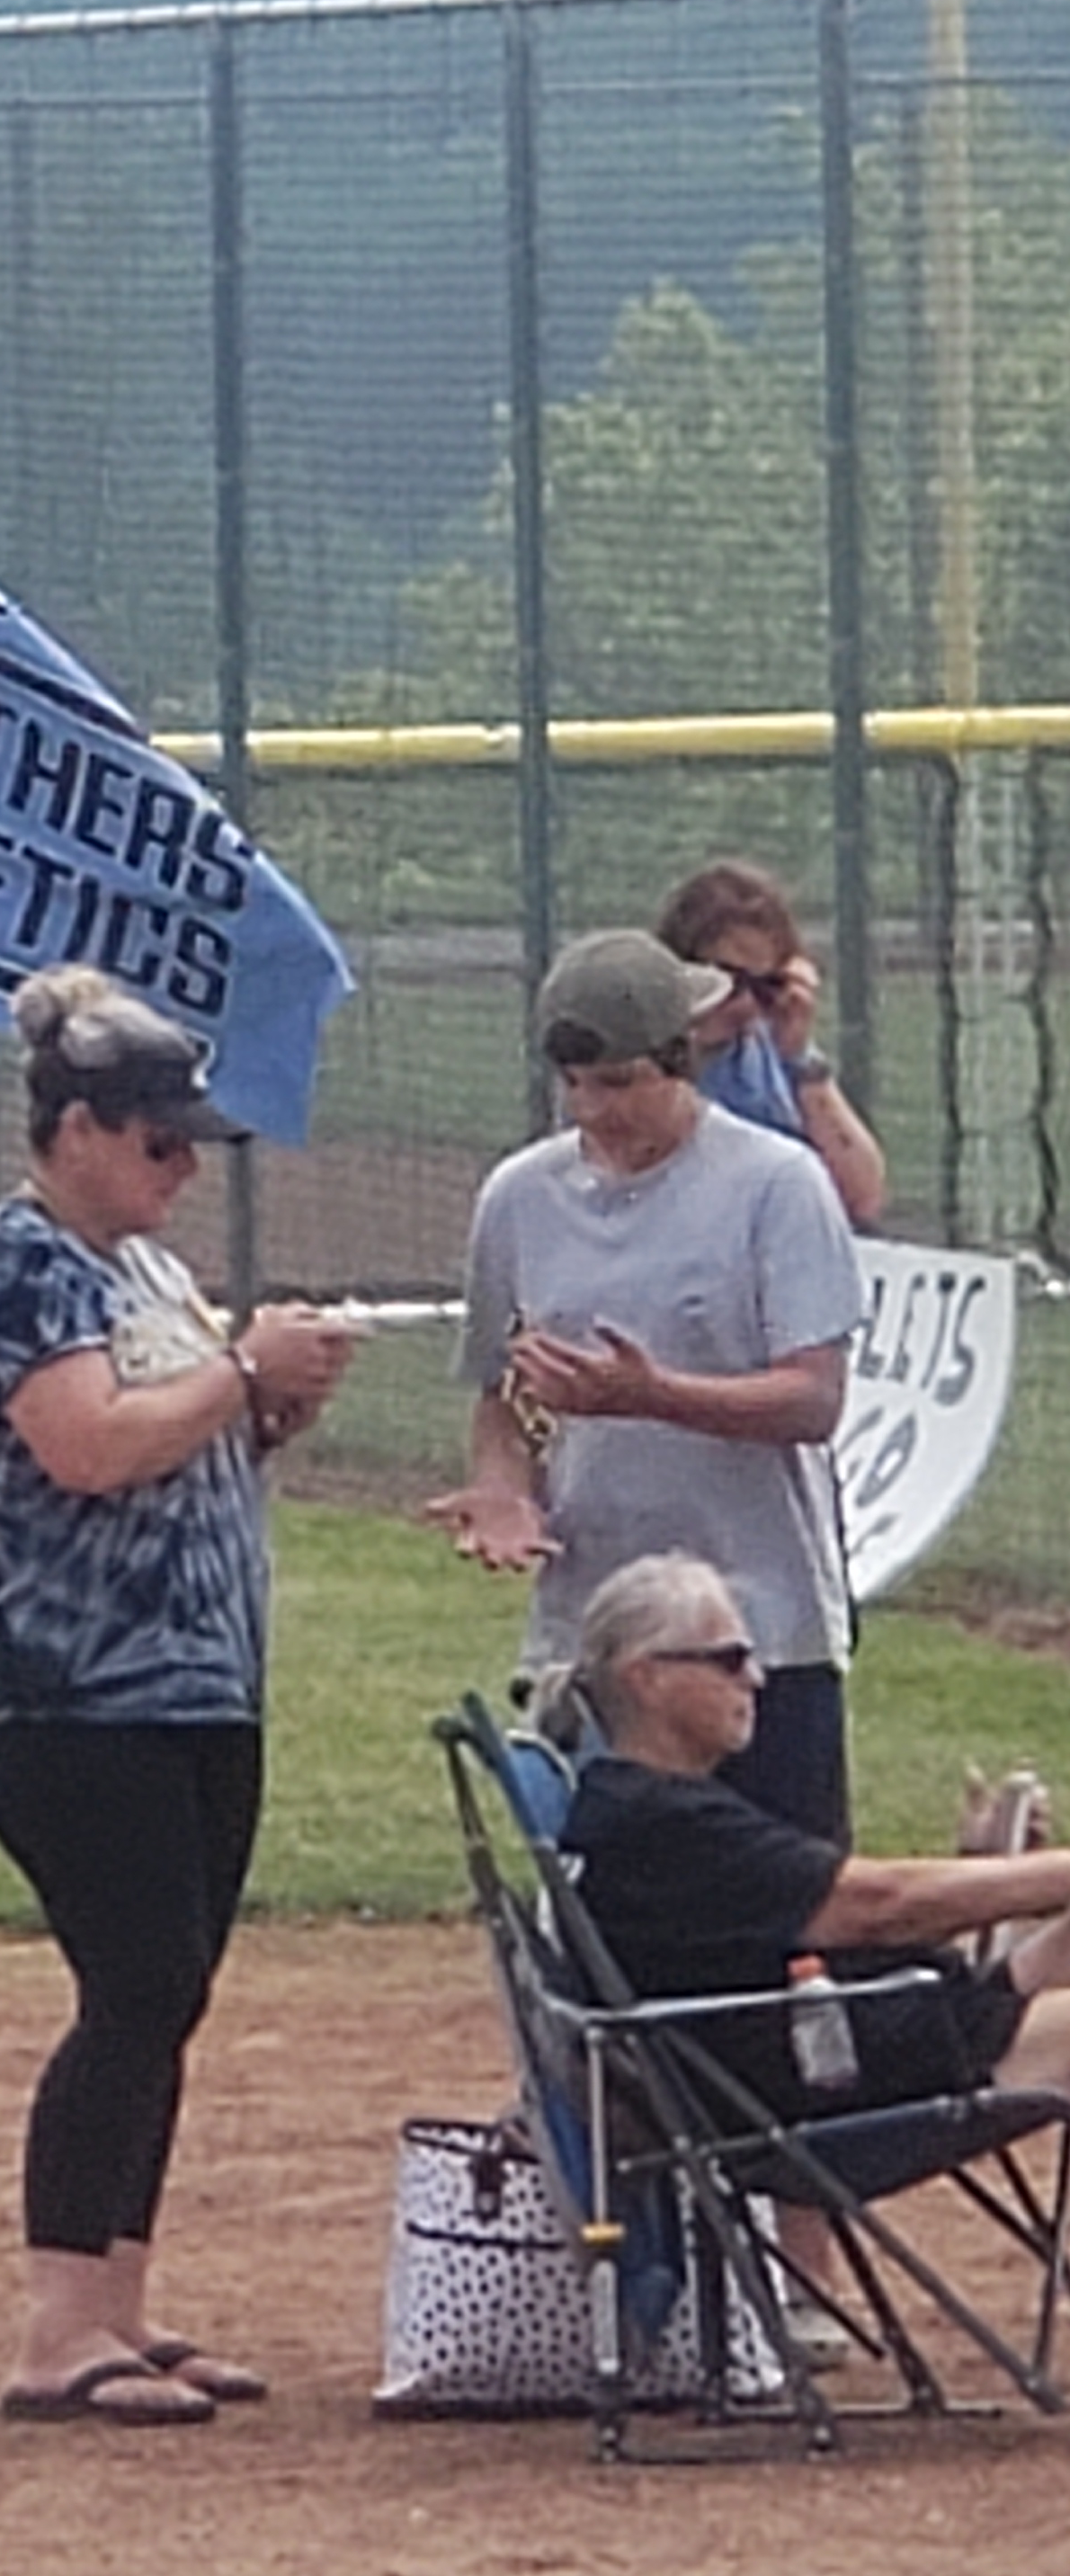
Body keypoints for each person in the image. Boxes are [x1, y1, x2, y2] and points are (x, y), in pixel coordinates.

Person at [0, 965, 360, 2426]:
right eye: (155, 1141)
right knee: (130, 1984)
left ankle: (115, 2299)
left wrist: (265, 1408)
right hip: (71, 1695)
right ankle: (55, 2328)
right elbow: (88, 1446)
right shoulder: (16, 1261)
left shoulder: (139, 1272)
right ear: (74, 1127)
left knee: (165, 1992)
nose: (180, 1167)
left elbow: (183, 1450)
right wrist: (241, 1370)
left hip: (190, 1686)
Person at [426, 929, 865, 1845]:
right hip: (595, 1634)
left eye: (619, 1084)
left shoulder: (777, 1187)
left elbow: (813, 1400)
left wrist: (652, 1393)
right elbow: (506, 1391)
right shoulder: (518, 1198)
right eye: (575, 1085)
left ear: (682, 1057)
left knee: (792, 1922)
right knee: (618, 1924)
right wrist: (504, 1490)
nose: (594, 1109)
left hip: (759, 1634)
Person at [559, 1551, 1070, 2117]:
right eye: (729, 1660)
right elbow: (882, 1905)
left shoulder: (635, 1803)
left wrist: (986, 1863)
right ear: (646, 1677)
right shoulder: (661, 1823)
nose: (755, 1679)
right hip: (820, 2075)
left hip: (839, 2035)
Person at [655, 859, 887, 1226]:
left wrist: (801, 1059)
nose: (746, 1004)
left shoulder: (775, 1054)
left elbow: (862, 1196)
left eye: (765, 987)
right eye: (729, 980)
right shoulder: (631, 1061)